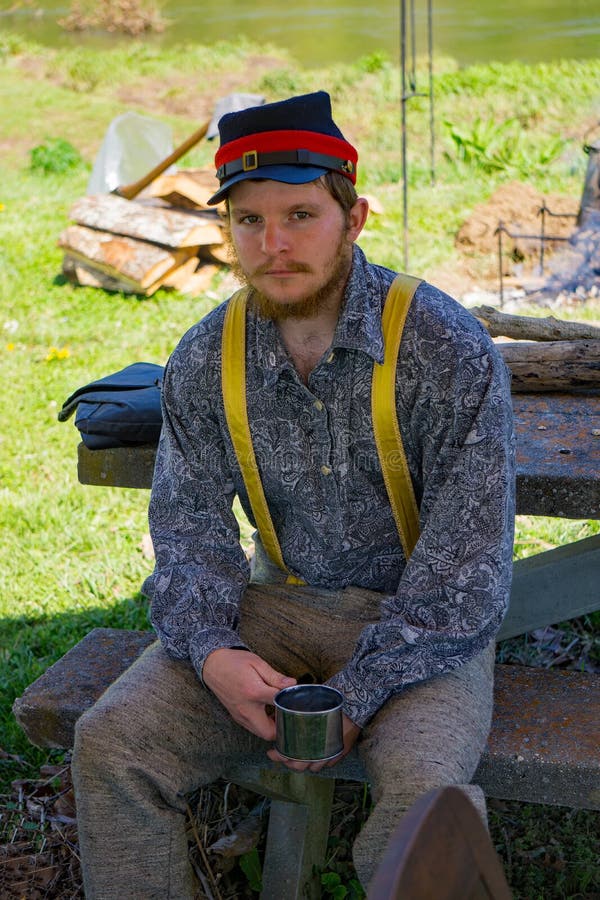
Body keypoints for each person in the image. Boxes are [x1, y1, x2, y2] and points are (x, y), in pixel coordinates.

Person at [71, 91, 515, 897]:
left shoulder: (444, 346)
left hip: (422, 627)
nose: (274, 246)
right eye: (249, 221)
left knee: (428, 802)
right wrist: (214, 651)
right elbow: (190, 534)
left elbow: (465, 573)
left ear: (356, 216)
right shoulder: (207, 357)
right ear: (227, 229)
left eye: (301, 215)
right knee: (111, 744)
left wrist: (364, 690)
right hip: (277, 608)